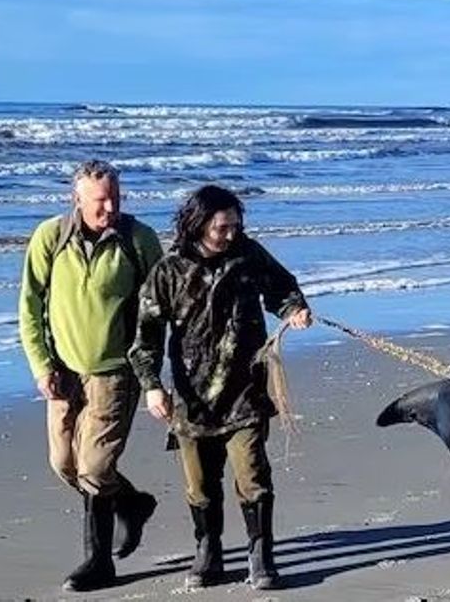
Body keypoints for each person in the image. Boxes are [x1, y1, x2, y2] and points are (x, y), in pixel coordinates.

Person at [130, 185, 313, 590]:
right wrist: (152, 387)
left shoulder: (248, 255)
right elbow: (146, 335)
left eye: (236, 225)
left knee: (252, 474)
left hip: (245, 389)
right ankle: (208, 552)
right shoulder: (169, 270)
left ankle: (261, 556)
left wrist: (294, 309)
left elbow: (282, 287)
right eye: (222, 227)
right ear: (198, 225)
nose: (231, 234)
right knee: (199, 484)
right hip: (192, 398)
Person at [16, 158, 164, 592]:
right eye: (100, 200)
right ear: (76, 199)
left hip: (116, 372)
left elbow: (159, 309)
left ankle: (98, 562)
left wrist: (151, 371)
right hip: (63, 373)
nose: (109, 207)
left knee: (95, 468)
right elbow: (29, 306)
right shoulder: (50, 237)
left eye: (116, 198)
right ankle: (133, 504)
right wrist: (41, 365)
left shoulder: (139, 240)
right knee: (64, 464)